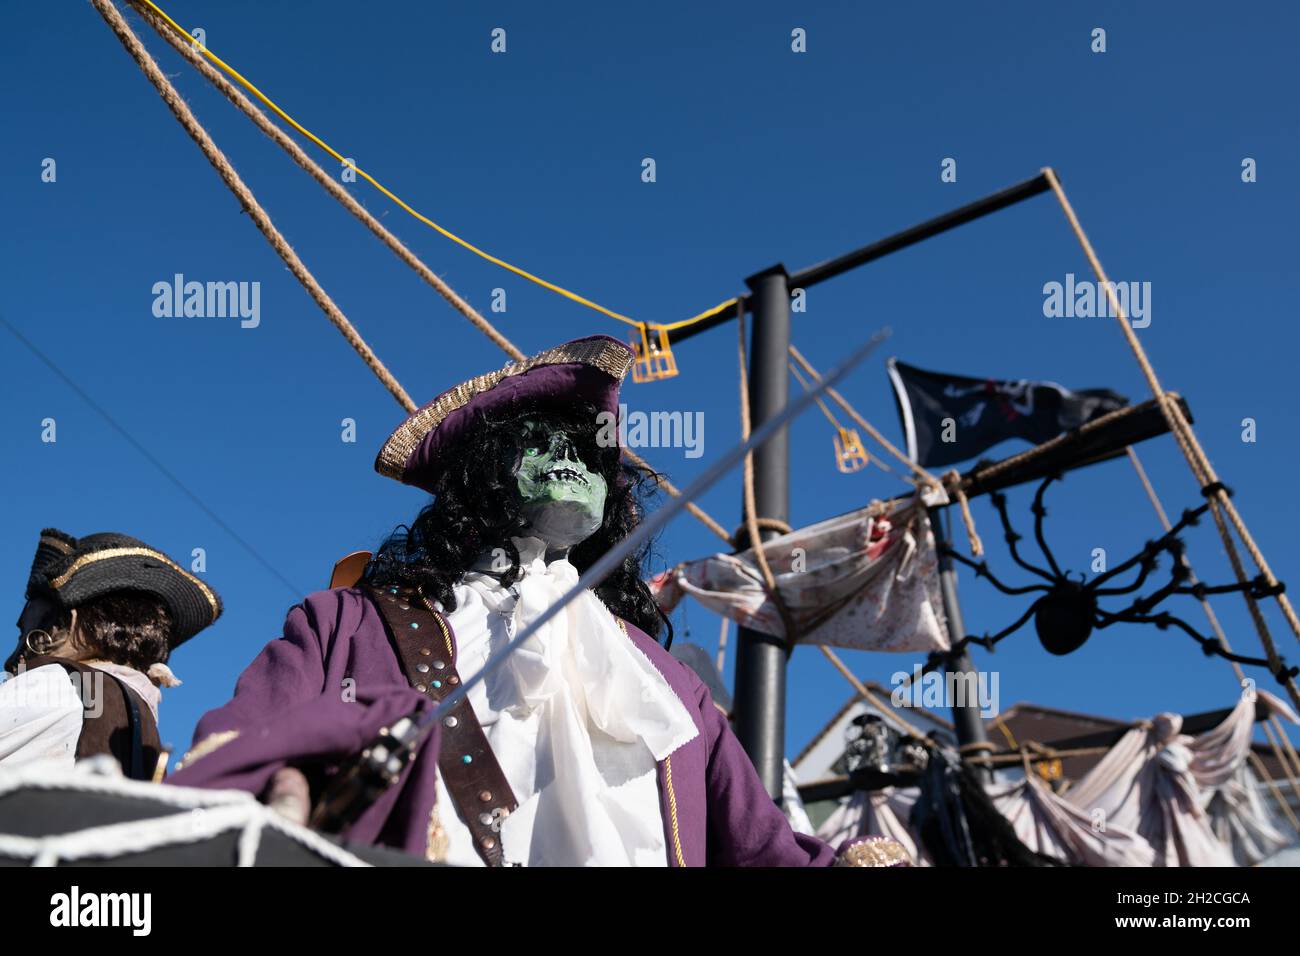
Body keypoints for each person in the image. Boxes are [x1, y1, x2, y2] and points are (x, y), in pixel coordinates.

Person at [170, 335, 908, 867]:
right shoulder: (344, 624)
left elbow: (762, 849)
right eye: (542, 444)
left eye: (589, 453)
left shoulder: (664, 682)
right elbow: (234, 755)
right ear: (482, 474)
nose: (572, 462)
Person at [2, 529, 223, 780]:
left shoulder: (54, 683)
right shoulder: (143, 720)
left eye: (27, 633)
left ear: (71, 622)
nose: (13, 659)